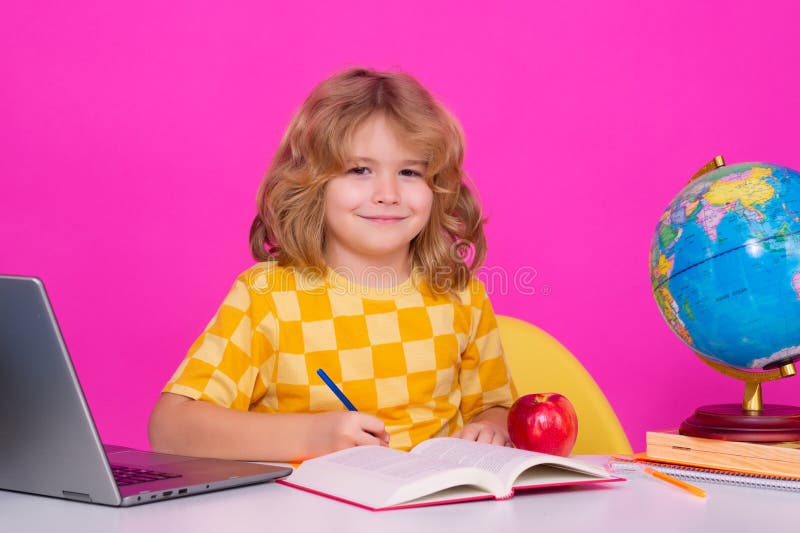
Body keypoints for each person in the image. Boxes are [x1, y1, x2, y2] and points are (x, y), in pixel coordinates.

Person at [148, 67, 517, 462]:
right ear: (312, 183)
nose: (388, 194)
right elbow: (170, 428)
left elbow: (494, 408)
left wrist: (492, 428)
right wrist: (314, 434)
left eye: (410, 172)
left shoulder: (460, 294)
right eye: (360, 170)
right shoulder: (268, 297)